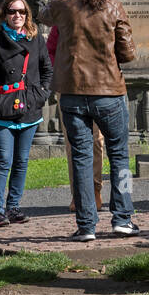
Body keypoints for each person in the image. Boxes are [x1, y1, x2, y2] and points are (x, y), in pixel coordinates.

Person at [38, 0, 138, 241]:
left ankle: (86, 226)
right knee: (119, 156)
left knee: (81, 158)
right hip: (109, 91)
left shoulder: (64, 5)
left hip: (72, 92)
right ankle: (123, 218)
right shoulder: (113, 6)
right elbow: (128, 53)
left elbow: (44, 13)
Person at [0, 0, 53, 227]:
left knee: (21, 160)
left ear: (27, 15)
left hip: (29, 109)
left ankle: (14, 207)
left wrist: (40, 95)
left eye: (21, 12)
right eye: (12, 11)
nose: (17, 16)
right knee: (3, 160)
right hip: (2, 111)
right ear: (4, 14)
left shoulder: (36, 40)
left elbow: (47, 69)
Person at [48, 26, 104, 213]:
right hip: (68, 85)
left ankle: (95, 189)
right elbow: (51, 49)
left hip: (98, 85)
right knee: (73, 141)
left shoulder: (99, 13)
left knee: (97, 141)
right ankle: (78, 193)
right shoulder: (64, 15)